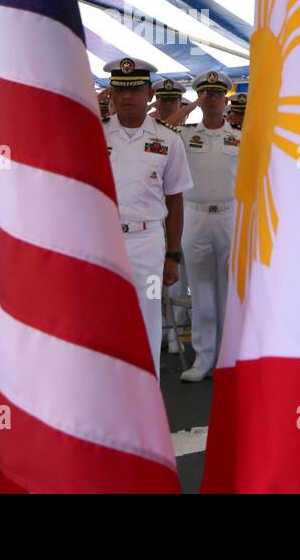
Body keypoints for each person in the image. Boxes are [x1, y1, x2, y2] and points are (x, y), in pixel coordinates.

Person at [102, 57, 192, 376]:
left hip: (148, 241)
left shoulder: (168, 140)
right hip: (103, 242)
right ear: (111, 93)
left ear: (149, 93)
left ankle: (147, 403)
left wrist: (172, 255)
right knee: (105, 321)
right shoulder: (95, 135)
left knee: (149, 319)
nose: (128, 96)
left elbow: (176, 199)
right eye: (121, 89)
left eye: (136, 89)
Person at [175, 70, 239, 382]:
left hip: (229, 214)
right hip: (195, 214)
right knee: (200, 290)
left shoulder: (239, 136)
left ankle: (228, 358)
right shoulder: (186, 134)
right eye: (206, 94)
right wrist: (189, 107)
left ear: (225, 98)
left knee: (228, 290)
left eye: (216, 93)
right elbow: (160, 127)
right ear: (200, 98)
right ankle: (203, 359)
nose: (212, 98)